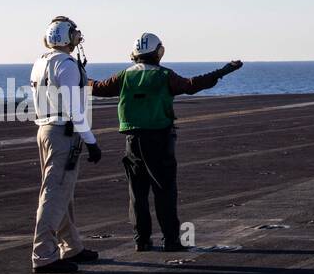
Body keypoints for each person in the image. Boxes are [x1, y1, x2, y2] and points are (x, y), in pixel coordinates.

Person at [90, 33, 243, 251]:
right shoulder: (164, 75)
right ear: (159, 52)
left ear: (134, 54)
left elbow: (97, 88)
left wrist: (79, 76)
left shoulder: (125, 76)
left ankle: (141, 240)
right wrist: (222, 72)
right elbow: (191, 85)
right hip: (160, 140)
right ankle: (171, 240)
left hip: (133, 141)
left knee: (137, 193)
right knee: (165, 191)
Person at [29, 16, 102, 274]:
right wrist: (91, 142)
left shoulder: (40, 62)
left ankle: (71, 246)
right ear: (68, 37)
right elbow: (73, 108)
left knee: (61, 194)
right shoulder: (67, 64)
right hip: (63, 133)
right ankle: (44, 254)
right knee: (54, 194)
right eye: (75, 34)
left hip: (44, 130)